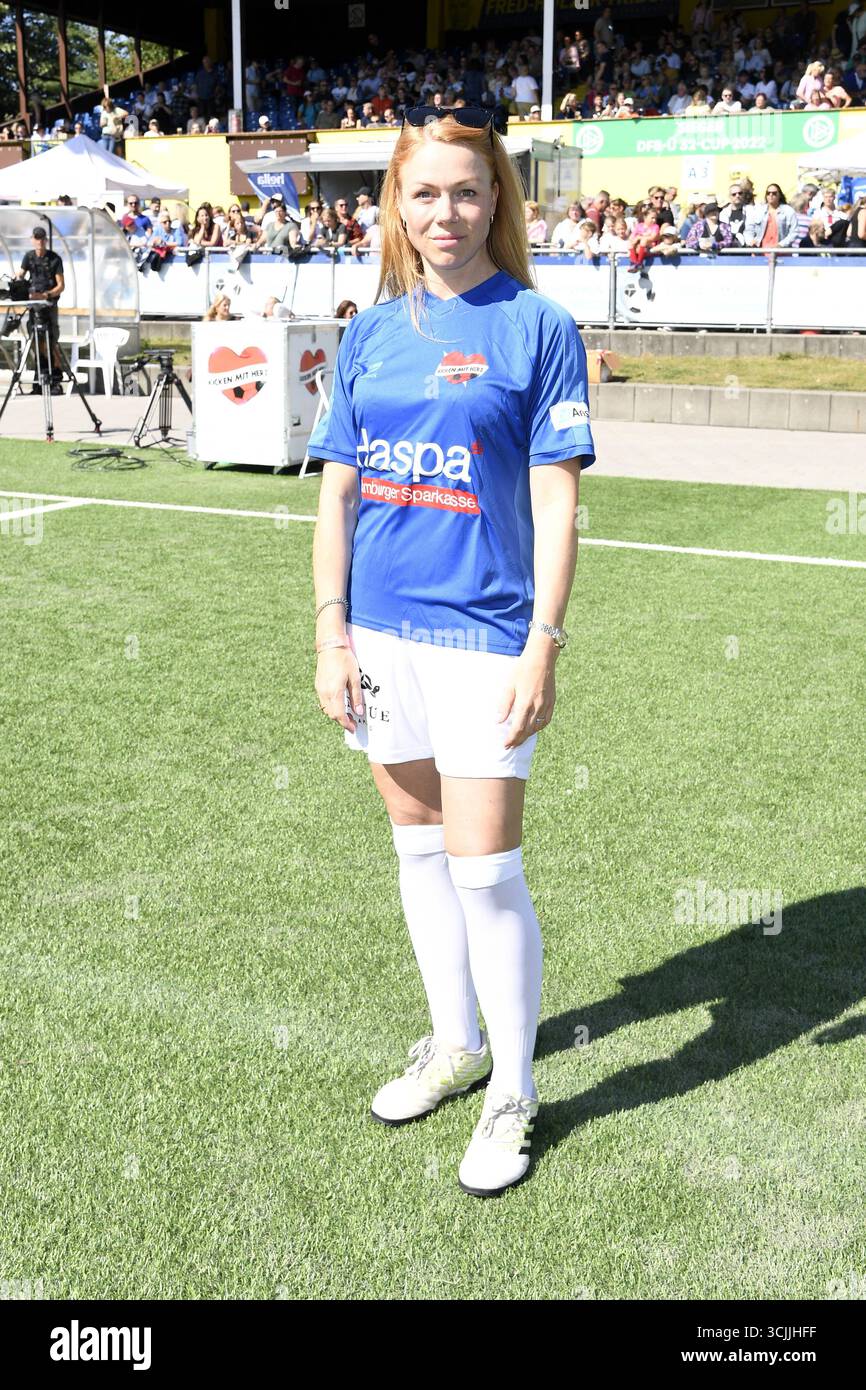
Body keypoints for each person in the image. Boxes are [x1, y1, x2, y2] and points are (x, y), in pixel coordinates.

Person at [306, 103, 595, 1199]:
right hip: (377, 633)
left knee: (484, 871)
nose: (445, 212)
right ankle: (452, 1042)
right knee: (417, 853)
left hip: (483, 637)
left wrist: (541, 646)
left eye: (466, 191)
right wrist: (329, 631)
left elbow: (557, 505)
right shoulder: (371, 332)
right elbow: (336, 498)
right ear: (395, 201)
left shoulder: (536, 324)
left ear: (496, 200)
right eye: (423, 191)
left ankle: (513, 1091)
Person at [14, 226, 65, 393]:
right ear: (32, 239)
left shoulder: (54, 259)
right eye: (36, 238)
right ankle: (39, 380)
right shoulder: (28, 257)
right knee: (36, 343)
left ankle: (56, 380)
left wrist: (46, 295)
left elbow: (61, 286)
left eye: (42, 238)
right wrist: (18, 282)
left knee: (51, 341)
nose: (39, 242)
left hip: (49, 305)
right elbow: (20, 274)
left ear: (46, 240)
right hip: (33, 306)